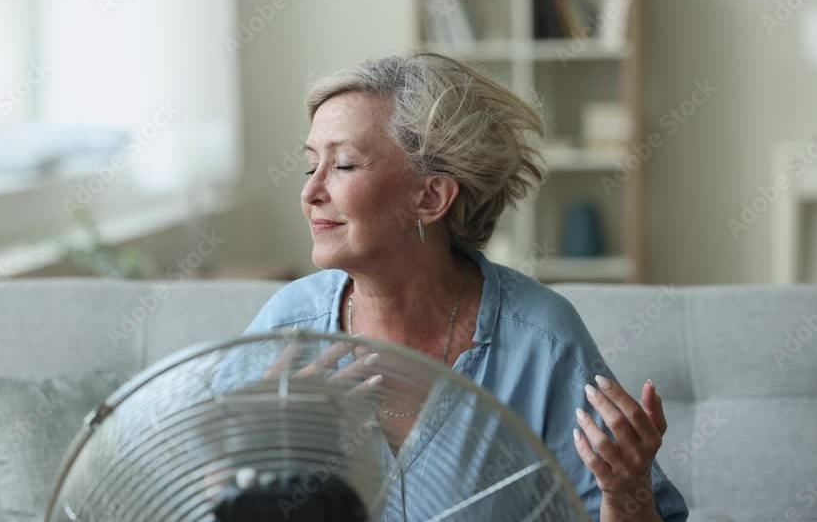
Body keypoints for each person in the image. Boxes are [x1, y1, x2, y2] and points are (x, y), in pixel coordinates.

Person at [237, 52, 688, 522]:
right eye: (312, 166)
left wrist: (626, 491)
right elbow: (206, 497)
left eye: (345, 165)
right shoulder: (286, 328)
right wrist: (246, 447)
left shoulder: (539, 340)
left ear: (430, 197)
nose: (311, 193)